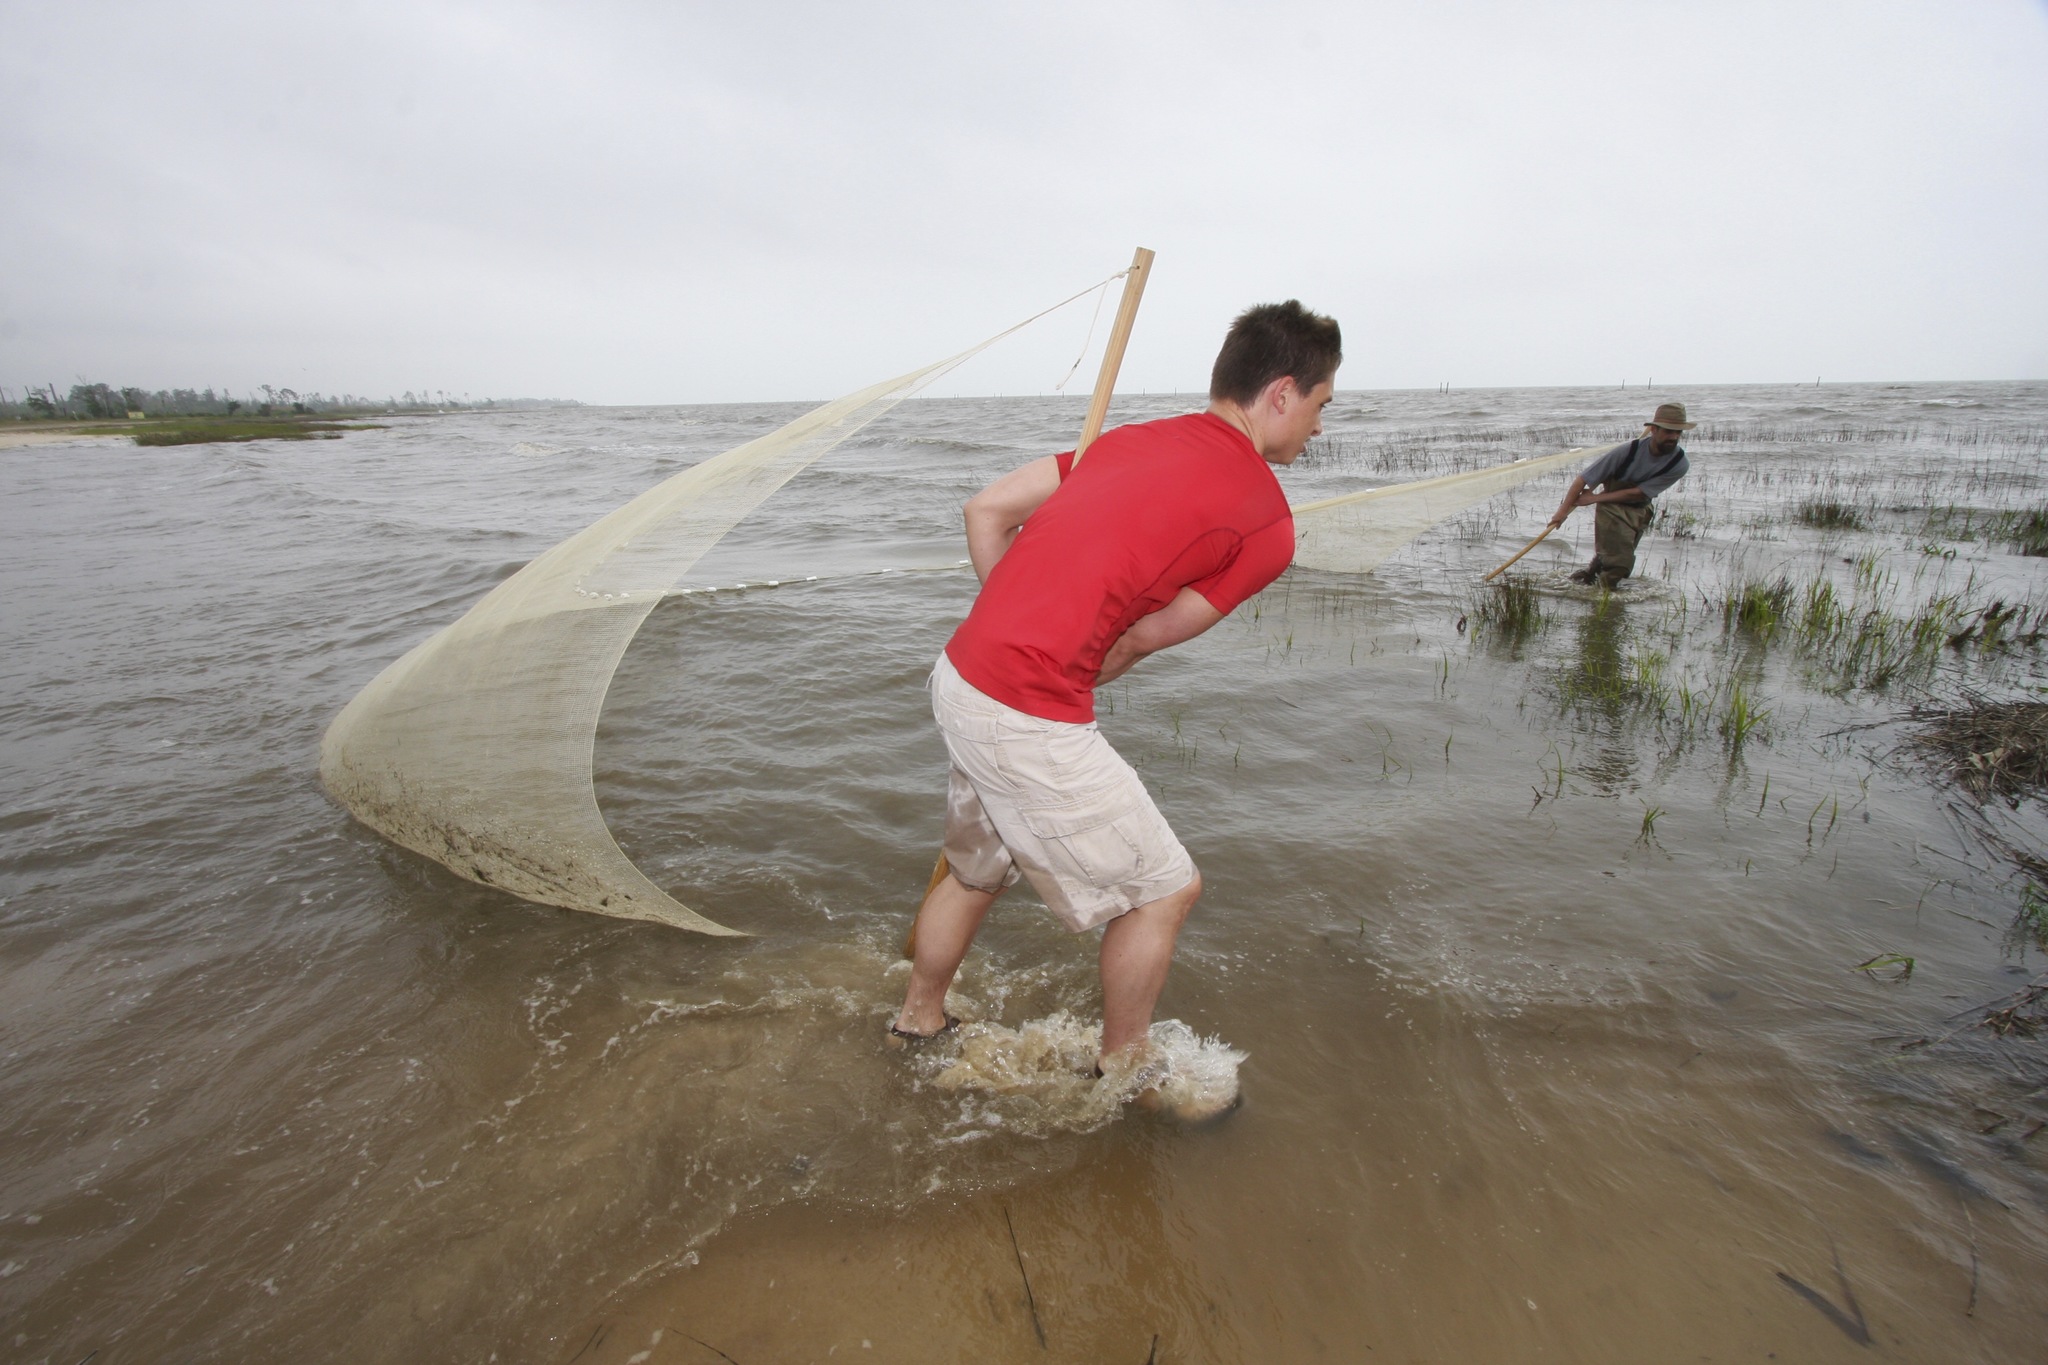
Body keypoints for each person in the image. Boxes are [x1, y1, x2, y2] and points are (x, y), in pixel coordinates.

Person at [890, 300, 1341, 1079]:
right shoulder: (1269, 525)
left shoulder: (1121, 440)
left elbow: (986, 511)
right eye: (1322, 405)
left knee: (975, 869)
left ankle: (917, 1019)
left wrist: (1017, 616)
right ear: (1281, 394)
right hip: (1025, 708)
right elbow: (1134, 640)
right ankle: (1124, 1074)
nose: (1320, 426)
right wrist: (1057, 651)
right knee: (1164, 891)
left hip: (961, 674)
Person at [1548, 401, 1694, 588]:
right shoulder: (1628, 451)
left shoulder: (1680, 464)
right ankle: (1605, 600)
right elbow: (1583, 479)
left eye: (1678, 432)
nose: (1673, 437)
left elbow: (1638, 493)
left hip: (1640, 509)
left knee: (1612, 560)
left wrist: (1594, 498)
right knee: (1620, 563)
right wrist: (1561, 512)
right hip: (1611, 509)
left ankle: (1585, 583)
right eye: (1668, 431)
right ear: (1653, 430)